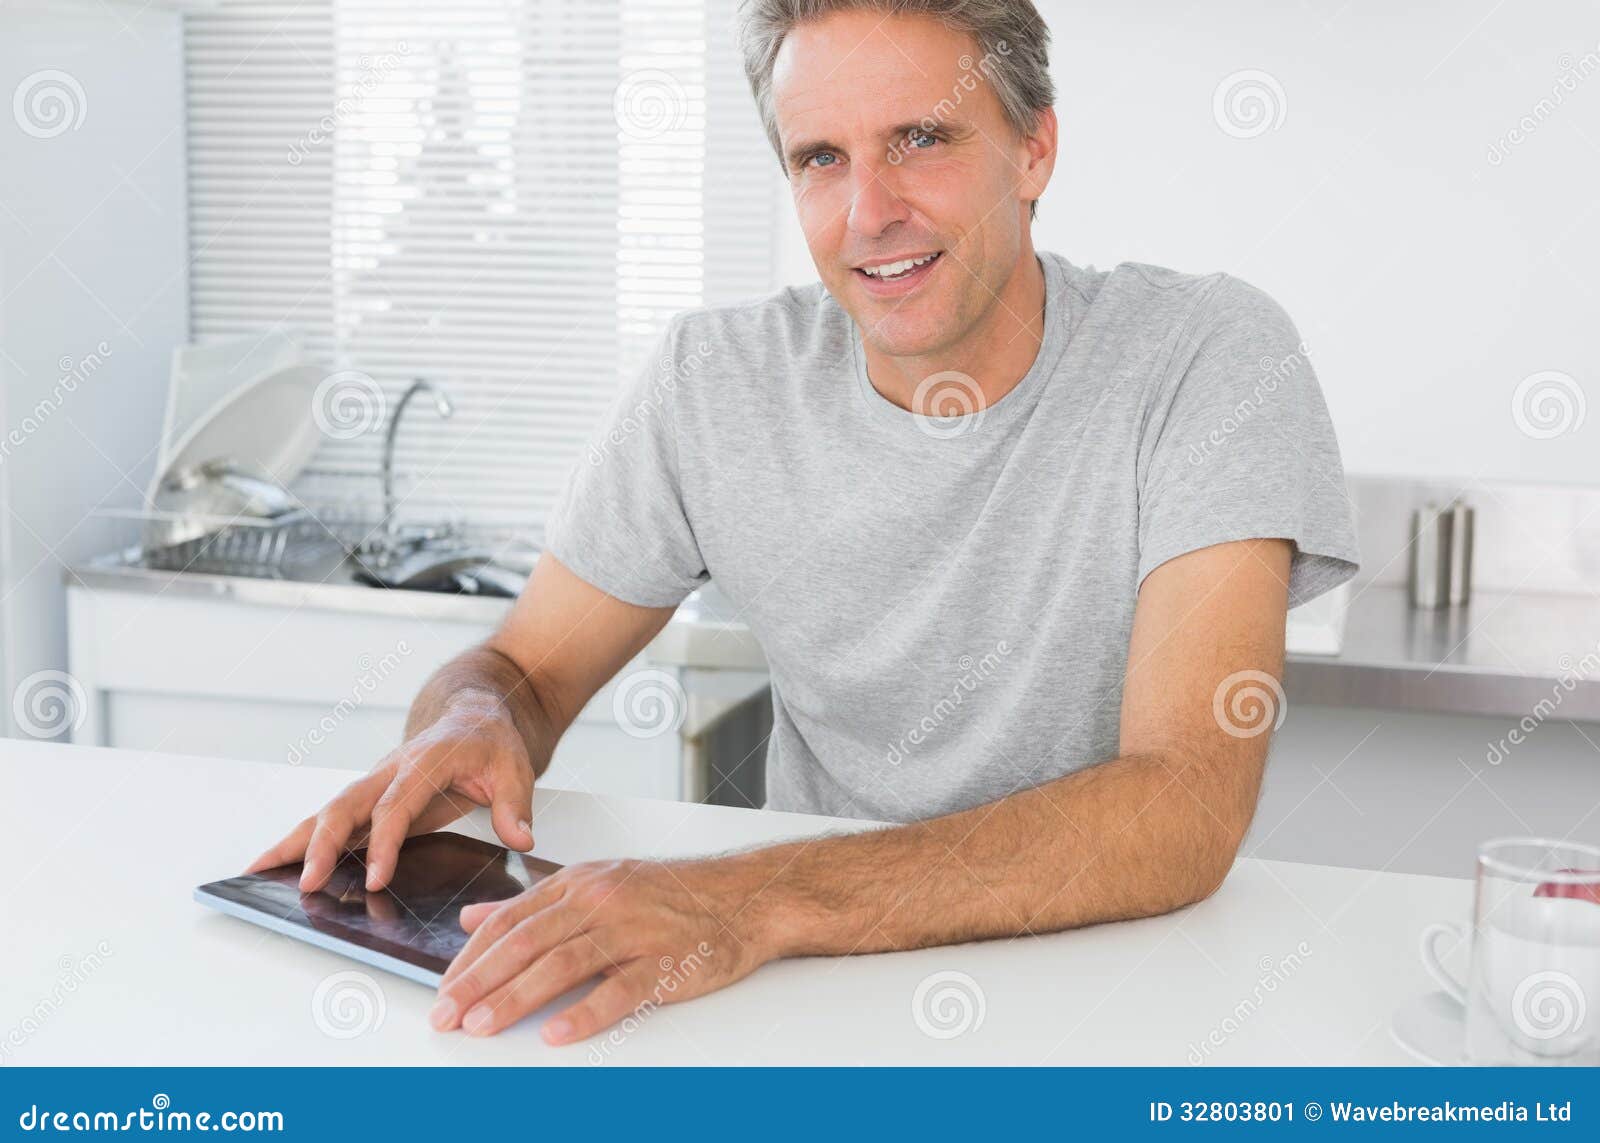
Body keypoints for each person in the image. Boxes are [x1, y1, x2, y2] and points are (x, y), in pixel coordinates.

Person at [250, 0, 1359, 1044]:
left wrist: (748, 898)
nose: (867, 213)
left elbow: (1184, 801)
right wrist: (470, 718)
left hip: (1108, 993)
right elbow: (523, 670)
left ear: (1034, 150)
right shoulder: (713, 380)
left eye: (919, 139)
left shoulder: (1206, 358)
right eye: (819, 158)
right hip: (805, 1003)